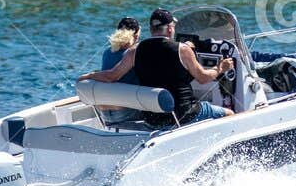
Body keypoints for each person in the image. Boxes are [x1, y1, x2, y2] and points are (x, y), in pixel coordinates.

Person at [79, 7, 232, 126]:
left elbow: (111, 76)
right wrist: (220, 68)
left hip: (152, 118)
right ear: (171, 29)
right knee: (229, 114)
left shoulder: (134, 51)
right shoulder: (183, 50)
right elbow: (203, 78)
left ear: (151, 29)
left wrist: (89, 75)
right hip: (184, 114)